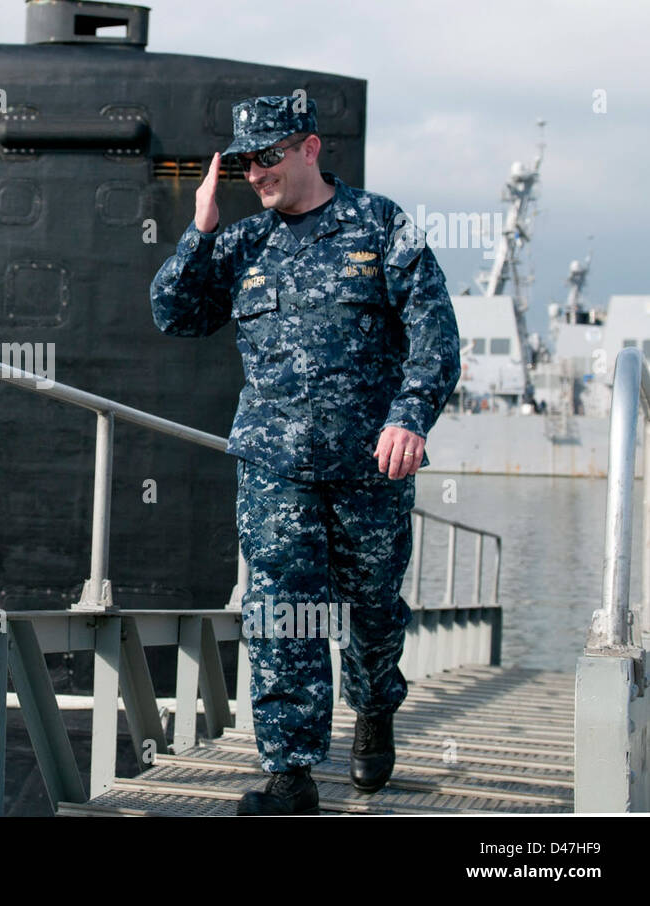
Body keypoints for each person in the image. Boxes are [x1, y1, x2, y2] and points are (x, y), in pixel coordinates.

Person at [150, 95, 460, 814]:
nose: (256, 172)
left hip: (369, 467)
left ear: (310, 148)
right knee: (279, 612)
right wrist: (199, 233)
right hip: (274, 467)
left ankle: (376, 704)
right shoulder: (245, 244)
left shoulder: (380, 225)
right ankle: (290, 775)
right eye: (244, 162)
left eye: (269, 156)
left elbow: (435, 332)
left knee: (372, 610)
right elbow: (175, 313)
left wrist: (409, 418)